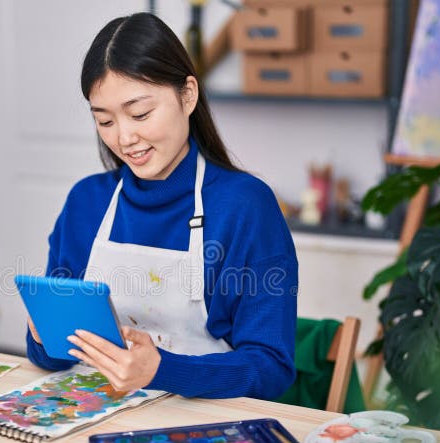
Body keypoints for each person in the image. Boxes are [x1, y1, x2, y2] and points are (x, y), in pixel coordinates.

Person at [26, 12, 297, 400]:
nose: (124, 138)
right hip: (96, 415)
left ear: (187, 94)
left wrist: (162, 369)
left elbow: (272, 367)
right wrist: (43, 335)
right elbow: (54, 357)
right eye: (104, 121)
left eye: (140, 114)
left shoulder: (244, 208)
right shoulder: (87, 203)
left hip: (205, 424)